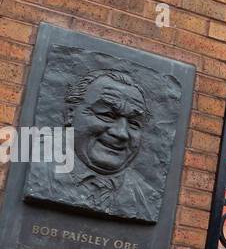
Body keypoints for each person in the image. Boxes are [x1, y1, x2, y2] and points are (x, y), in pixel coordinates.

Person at [25, 68, 159, 222]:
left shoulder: (148, 199)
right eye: (107, 115)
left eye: (134, 123)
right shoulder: (34, 167)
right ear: (70, 113)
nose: (121, 133)